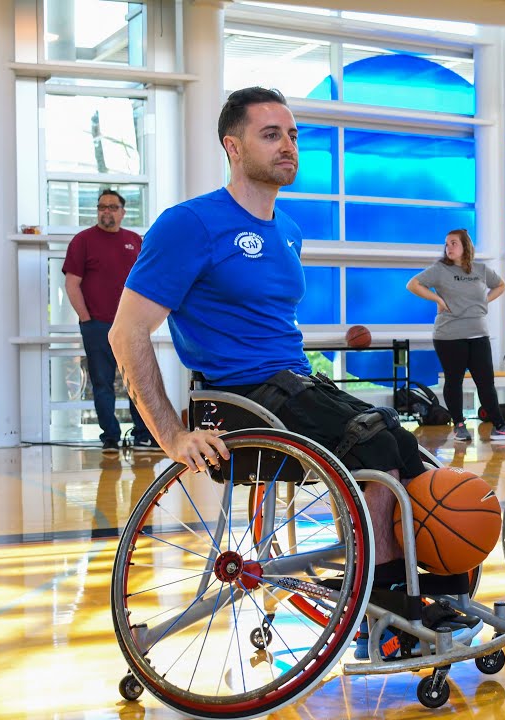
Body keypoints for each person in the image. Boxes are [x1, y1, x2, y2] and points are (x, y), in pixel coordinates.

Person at [108, 88, 479, 650]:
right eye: (270, 134)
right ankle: (381, 609)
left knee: (408, 450)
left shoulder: (289, 230)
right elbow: (127, 332)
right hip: (239, 400)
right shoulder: (189, 224)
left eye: (293, 134)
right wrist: (171, 435)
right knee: (373, 443)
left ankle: (437, 589)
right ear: (233, 147)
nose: (288, 144)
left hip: (293, 383)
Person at [406, 229, 505, 443]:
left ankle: (499, 426)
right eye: (446, 244)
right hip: (449, 335)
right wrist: (438, 300)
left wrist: (483, 302)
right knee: (454, 381)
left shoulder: (480, 270)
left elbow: (500, 285)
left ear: (465, 246)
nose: (448, 247)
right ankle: (459, 425)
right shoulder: (440, 270)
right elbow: (413, 284)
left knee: (486, 382)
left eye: (453, 243)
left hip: (479, 334)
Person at [62, 189, 158, 454]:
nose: (107, 211)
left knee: (137, 381)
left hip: (130, 326)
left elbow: (146, 281)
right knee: (102, 384)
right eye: (102, 207)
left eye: (113, 207)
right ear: (97, 211)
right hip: (98, 326)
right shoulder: (82, 241)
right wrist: (86, 319)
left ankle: (142, 436)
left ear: (122, 212)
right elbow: (72, 284)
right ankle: (110, 438)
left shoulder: (134, 241)